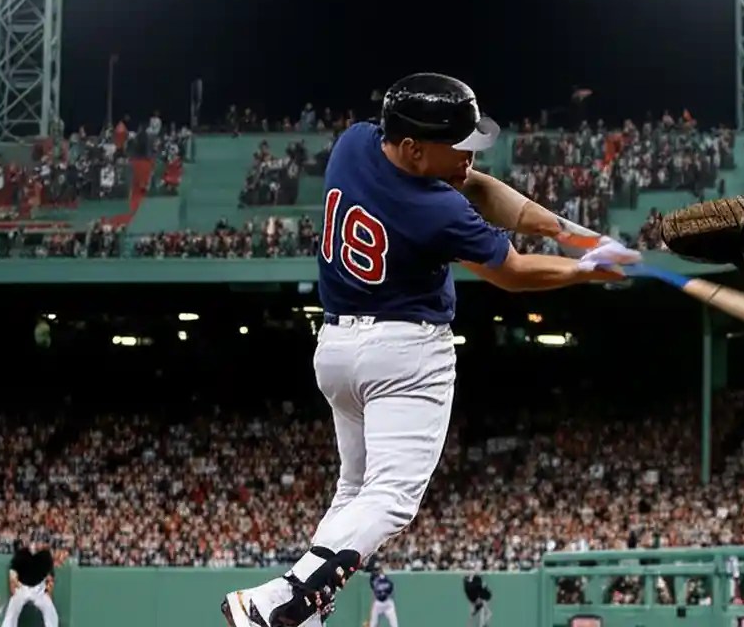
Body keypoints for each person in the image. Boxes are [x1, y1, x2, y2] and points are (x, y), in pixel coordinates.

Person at [221, 72, 640, 627]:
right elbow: (513, 272)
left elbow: (481, 187)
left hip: (338, 350)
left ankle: (306, 613)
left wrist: (578, 237)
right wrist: (585, 271)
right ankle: (281, 598)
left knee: (355, 493)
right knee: (391, 498)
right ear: (415, 148)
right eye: (458, 144)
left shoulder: (355, 144)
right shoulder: (435, 211)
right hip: (404, 354)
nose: (469, 155)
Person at [1, 541, 61, 627]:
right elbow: (13, 570)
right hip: (22, 588)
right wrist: (13, 583)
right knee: (12, 611)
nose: (36, 545)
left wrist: (49, 591)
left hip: (39, 590)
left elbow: (50, 577)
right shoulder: (22, 554)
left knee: (50, 611)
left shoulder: (45, 556)